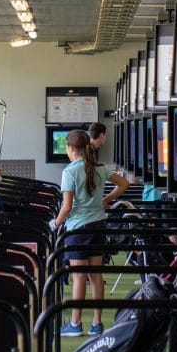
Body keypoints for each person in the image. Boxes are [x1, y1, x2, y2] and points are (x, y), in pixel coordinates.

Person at [52, 129, 130, 336]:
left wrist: (55, 223)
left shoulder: (69, 171)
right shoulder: (100, 168)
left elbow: (66, 207)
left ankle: (75, 324)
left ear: (70, 148)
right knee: (95, 276)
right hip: (98, 226)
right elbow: (124, 184)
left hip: (77, 229)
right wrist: (106, 200)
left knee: (79, 278)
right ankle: (97, 323)